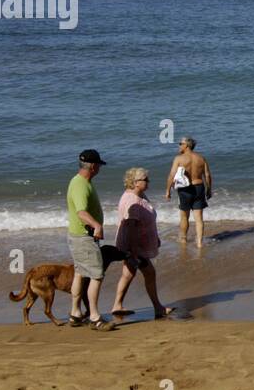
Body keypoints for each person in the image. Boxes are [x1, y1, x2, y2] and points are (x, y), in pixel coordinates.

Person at [111, 167, 175, 320]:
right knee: (149, 273)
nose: (148, 182)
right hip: (134, 246)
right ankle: (158, 308)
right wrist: (133, 252)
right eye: (145, 179)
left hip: (138, 244)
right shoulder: (132, 200)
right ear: (135, 182)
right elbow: (131, 228)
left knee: (128, 274)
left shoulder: (140, 195)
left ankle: (117, 305)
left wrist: (156, 237)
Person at [67, 149, 114, 330]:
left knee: (80, 273)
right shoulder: (80, 185)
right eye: (99, 165)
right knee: (97, 275)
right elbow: (81, 213)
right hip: (84, 238)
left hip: (78, 236)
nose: (100, 169)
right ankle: (94, 317)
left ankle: (75, 313)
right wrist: (97, 226)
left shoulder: (80, 181)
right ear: (93, 166)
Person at [165, 135, 213, 244]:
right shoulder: (201, 158)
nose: (179, 146)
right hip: (199, 188)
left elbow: (171, 175)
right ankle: (200, 243)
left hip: (185, 190)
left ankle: (183, 240)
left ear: (186, 145)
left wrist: (167, 190)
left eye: (180, 144)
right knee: (199, 218)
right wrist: (209, 189)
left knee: (184, 217)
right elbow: (207, 175)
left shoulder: (179, 159)